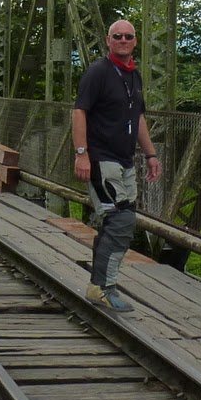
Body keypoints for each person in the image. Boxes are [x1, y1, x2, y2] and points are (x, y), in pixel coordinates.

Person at [71, 19, 162, 313]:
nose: (123, 40)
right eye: (117, 36)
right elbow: (79, 112)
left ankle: (100, 286)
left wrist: (150, 154)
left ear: (135, 42)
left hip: (125, 161)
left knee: (117, 221)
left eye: (128, 36)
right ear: (108, 41)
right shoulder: (98, 72)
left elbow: (137, 119)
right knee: (121, 222)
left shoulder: (133, 76)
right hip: (101, 160)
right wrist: (81, 153)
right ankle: (102, 287)